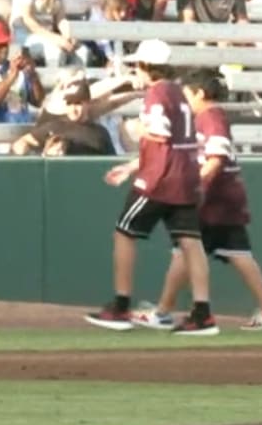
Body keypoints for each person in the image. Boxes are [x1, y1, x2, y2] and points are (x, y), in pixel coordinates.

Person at [132, 68, 262, 332]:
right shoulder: (206, 118)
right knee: (238, 254)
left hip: (213, 197)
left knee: (185, 251)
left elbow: (215, 159)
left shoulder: (210, 117)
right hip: (224, 195)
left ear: (200, 94)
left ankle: (162, 312)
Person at [88, 40, 217, 335]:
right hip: (185, 175)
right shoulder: (178, 93)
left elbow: (159, 135)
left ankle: (120, 306)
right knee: (190, 243)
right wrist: (130, 167)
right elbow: (177, 141)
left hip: (161, 179)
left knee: (124, 232)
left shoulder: (157, 93)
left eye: (138, 65)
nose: (137, 70)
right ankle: (202, 313)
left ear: (147, 67)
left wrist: (137, 128)